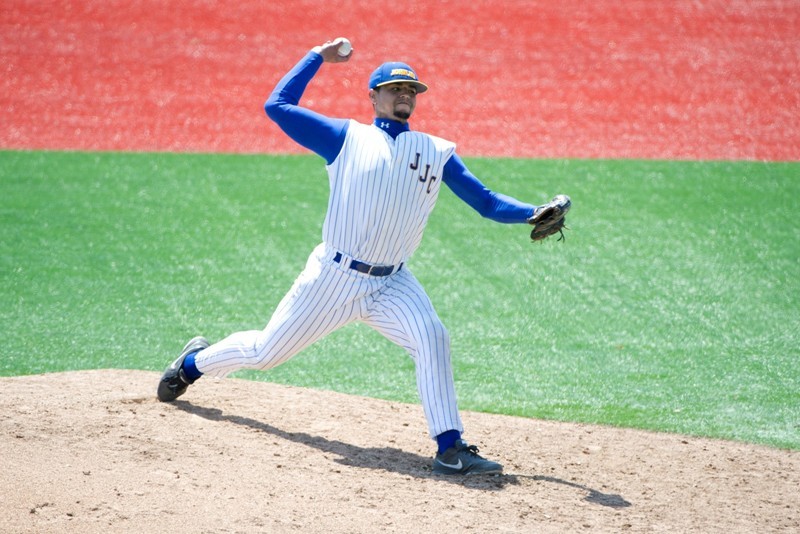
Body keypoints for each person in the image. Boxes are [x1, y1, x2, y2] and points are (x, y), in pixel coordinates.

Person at [157, 38, 541, 476]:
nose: (404, 95)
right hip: (332, 279)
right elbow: (277, 106)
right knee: (266, 352)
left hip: (392, 283)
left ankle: (450, 447)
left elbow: (487, 202)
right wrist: (316, 57)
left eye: (411, 90)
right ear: (373, 96)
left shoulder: (436, 152)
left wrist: (533, 213)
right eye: (395, 88)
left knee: (432, 337)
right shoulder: (345, 137)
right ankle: (192, 364)